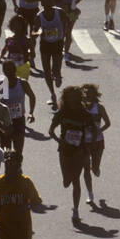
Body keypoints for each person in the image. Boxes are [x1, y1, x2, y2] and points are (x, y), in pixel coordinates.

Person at [49, 85, 95, 225]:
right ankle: (74, 204)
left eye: (76, 97)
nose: (73, 100)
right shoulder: (62, 113)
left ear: (79, 98)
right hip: (64, 151)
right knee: (66, 182)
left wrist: (87, 146)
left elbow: (93, 131)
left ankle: (75, 211)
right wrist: (60, 142)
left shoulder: (85, 114)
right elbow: (51, 131)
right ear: (66, 99)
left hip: (79, 151)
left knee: (76, 180)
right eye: (70, 98)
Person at [81, 84, 111, 208]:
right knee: (86, 168)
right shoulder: (80, 108)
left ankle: (96, 168)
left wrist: (99, 130)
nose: (87, 94)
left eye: (89, 93)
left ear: (94, 95)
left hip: (97, 142)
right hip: (84, 142)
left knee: (94, 168)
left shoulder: (99, 108)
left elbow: (108, 123)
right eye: (85, 92)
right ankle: (90, 193)